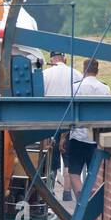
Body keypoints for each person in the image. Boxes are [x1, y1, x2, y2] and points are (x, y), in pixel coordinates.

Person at [66, 58, 110, 203]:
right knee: (95, 174)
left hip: (78, 136)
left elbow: (70, 112)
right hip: (95, 139)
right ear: (97, 71)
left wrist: (62, 136)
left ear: (84, 70)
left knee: (74, 172)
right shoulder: (105, 88)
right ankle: (90, 199)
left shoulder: (76, 87)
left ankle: (81, 198)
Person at [41, 50, 77, 199]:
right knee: (68, 159)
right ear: (64, 58)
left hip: (51, 121)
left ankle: (50, 191)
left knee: (51, 158)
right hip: (69, 121)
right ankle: (67, 194)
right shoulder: (76, 73)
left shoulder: (45, 74)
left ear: (51, 59)